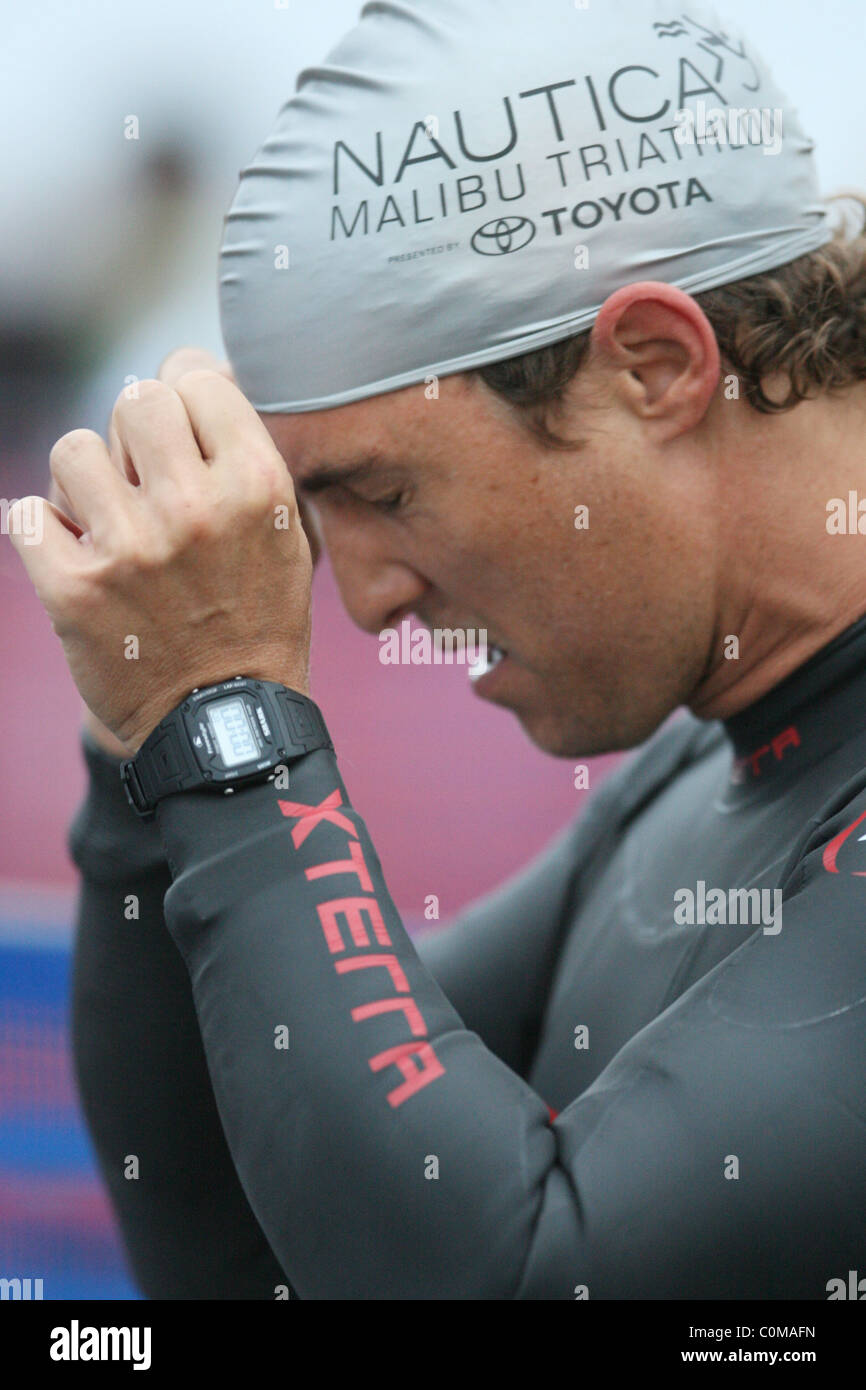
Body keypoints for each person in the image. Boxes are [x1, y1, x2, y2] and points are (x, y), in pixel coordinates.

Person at [8, 0, 866, 1299]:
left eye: (387, 496)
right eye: (314, 514)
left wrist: (227, 728)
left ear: (651, 366)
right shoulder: (699, 778)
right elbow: (244, 1249)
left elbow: (517, 1279)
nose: (361, 603)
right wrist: (152, 734)